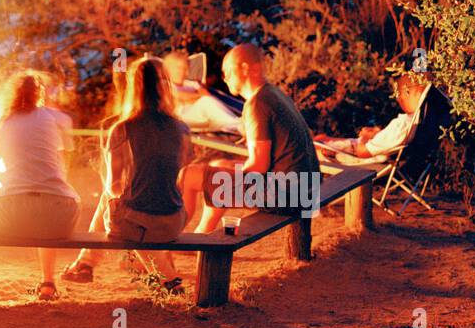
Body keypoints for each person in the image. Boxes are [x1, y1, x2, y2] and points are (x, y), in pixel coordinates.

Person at [181, 43, 320, 233]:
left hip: (287, 195)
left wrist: (230, 180)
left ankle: (171, 237)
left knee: (189, 175)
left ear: (245, 69)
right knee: (219, 166)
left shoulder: (257, 103)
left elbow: (258, 166)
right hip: (306, 190)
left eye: (227, 71)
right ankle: (203, 232)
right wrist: (227, 175)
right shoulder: (273, 93)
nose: (225, 77)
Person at [0, 71, 80, 303]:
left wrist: (13, 173)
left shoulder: (4, 122)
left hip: (13, 212)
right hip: (59, 213)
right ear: (41, 94)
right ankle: (48, 284)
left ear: (12, 94)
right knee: (49, 208)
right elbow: (65, 164)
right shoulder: (60, 119)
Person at [104, 57, 194, 294]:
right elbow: (177, 174)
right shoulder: (182, 128)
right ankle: (165, 273)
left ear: (134, 87)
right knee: (130, 211)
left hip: (140, 225)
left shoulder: (122, 128)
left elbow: (112, 185)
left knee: (113, 207)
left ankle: (167, 278)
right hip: (175, 221)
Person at [61, 63, 128, 284]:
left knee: (110, 196)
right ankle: (85, 263)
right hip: (166, 205)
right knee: (109, 197)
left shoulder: (114, 126)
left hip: (141, 205)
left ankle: (85, 263)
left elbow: (110, 182)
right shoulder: (170, 124)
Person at [318, 72, 430, 159]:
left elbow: (362, 152)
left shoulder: (402, 125)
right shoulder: (412, 123)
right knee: (320, 139)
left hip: (355, 155)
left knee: (313, 147)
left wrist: (365, 136)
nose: (399, 99)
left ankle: (306, 188)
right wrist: (375, 133)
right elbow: (385, 141)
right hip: (356, 147)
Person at [162, 51, 242, 134]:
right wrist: (197, 97)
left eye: (185, 68)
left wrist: (190, 99)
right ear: (168, 69)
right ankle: (236, 125)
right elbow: (179, 95)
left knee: (208, 102)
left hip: (202, 117)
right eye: (179, 68)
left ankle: (235, 125)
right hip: (181, 119)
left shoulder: (192, 84)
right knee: (205, 102)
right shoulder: (165, 84)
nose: (183, 72)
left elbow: (207, 95)